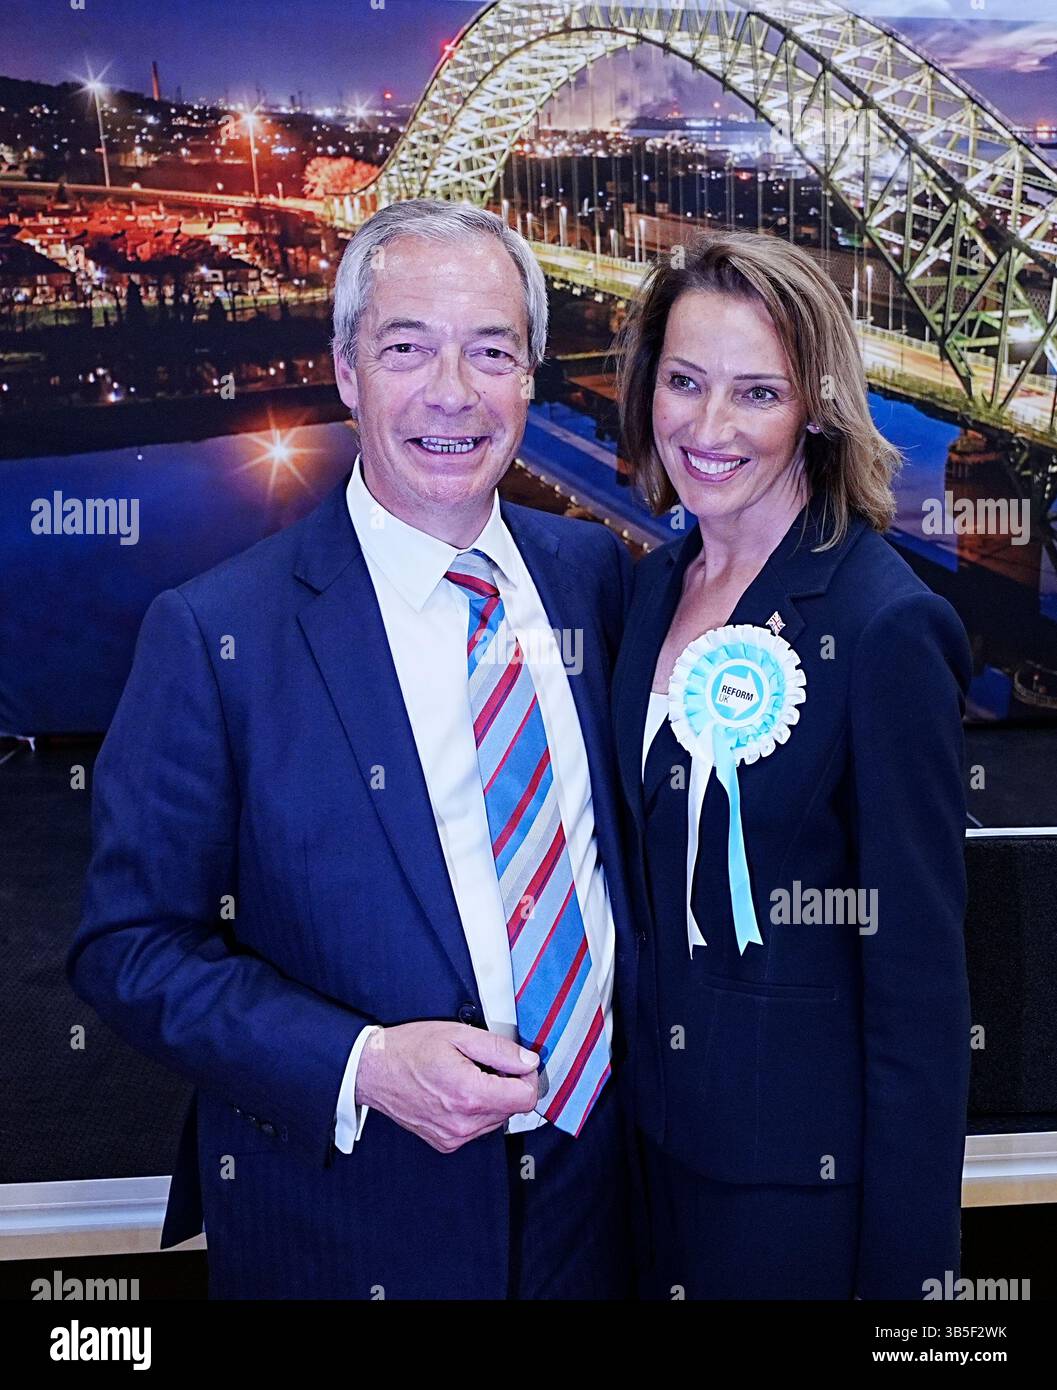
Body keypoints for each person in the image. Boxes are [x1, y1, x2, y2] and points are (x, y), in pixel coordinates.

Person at [68, 199, 638, 1300]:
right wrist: (363, 1065)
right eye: (407, 347)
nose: (451, 392)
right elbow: (128, 946)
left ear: (531, 376)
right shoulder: (215, 633)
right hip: (355, 1223)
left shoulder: (595, 578)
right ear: (344, 370)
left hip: (602, 1203)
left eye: (490, 350)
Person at [611, 229, 972, 1300]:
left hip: (792, 1204)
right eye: (683, 381)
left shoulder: (882, 624)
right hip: (641, 1163)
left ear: (813, 406)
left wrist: (910, 1295)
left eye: (755, 393)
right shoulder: (652, 585)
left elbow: (919, 993)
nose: (706, 428)